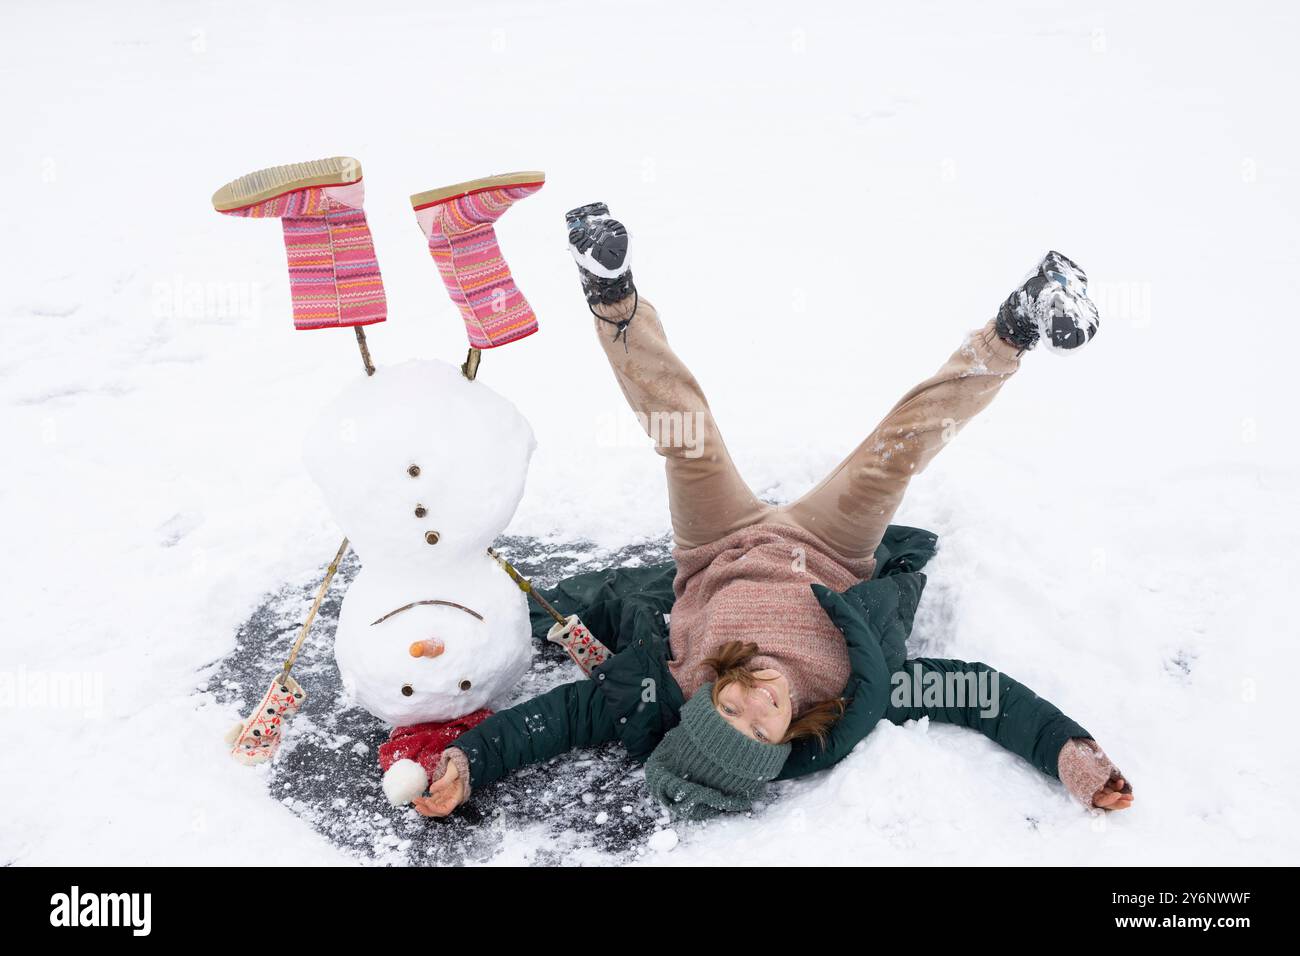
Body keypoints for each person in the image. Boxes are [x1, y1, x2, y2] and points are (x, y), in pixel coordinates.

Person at [414, 204, 1131, 821]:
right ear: (789, 740)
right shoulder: (858, 693)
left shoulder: (662, 690)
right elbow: (983, 695)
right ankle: (1020, 321)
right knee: (895, 453)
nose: (755, 701)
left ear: (706, 695)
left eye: (728, 707)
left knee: (686, 438)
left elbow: (556, 720)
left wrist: (469, 764)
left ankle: (613, 295)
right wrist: (1072, 753)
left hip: (716, 544)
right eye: (763, 727)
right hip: (830, 546)